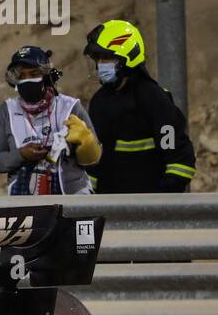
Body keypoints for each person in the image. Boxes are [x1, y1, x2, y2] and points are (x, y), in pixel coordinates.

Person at [82, 19, 196, 193]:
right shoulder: (99, 101)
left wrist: (162, 200)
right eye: (98, 58)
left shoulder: (154, 98)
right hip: (108, 207)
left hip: (148, 210)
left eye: (106, 58)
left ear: (127, 57)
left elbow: (179, 158)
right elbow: (94, 162)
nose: (100, 65)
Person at [0, 46, 101, 195]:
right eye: (21, 76)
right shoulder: (6, 111)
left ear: (46, 75)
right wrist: (21, 155)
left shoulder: (70, 107)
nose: (27, 80)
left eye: (33, 74)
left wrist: (86, 142)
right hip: (23, 206)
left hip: (73, 201)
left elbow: (94, 158)